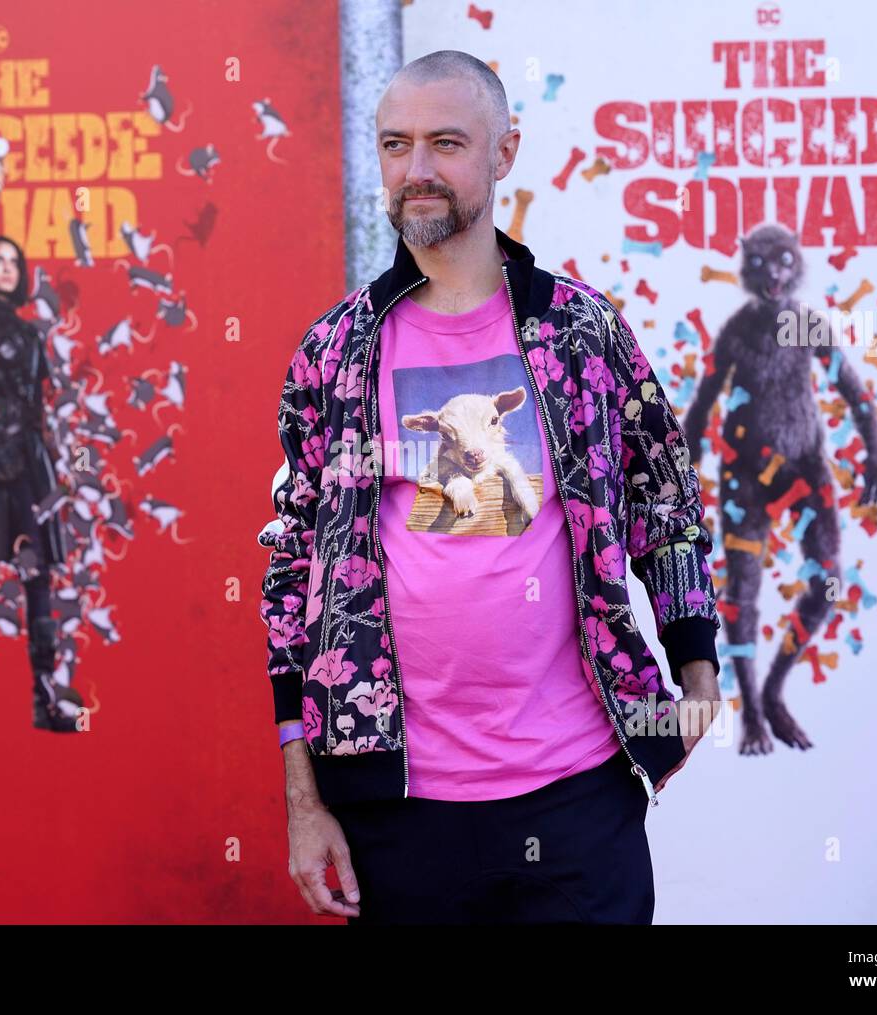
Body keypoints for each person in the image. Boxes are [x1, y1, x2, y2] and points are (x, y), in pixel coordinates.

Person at [257, 50, 724, 924]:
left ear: (505, 151)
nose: (418, 170)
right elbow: (291, 574)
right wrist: (304, 796)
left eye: (446, 143)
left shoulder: (582, 332)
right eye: (396, 145)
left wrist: (696, 671)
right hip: (396, 806)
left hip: (579, 792)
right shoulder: (335, 354)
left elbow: (665, 500)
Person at [0, 155, 83, 733]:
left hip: (28, 461)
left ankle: (45, 700)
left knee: (37, 576)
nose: (3, 266)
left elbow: (40, 400)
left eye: (11, 260)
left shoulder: (28, 331)